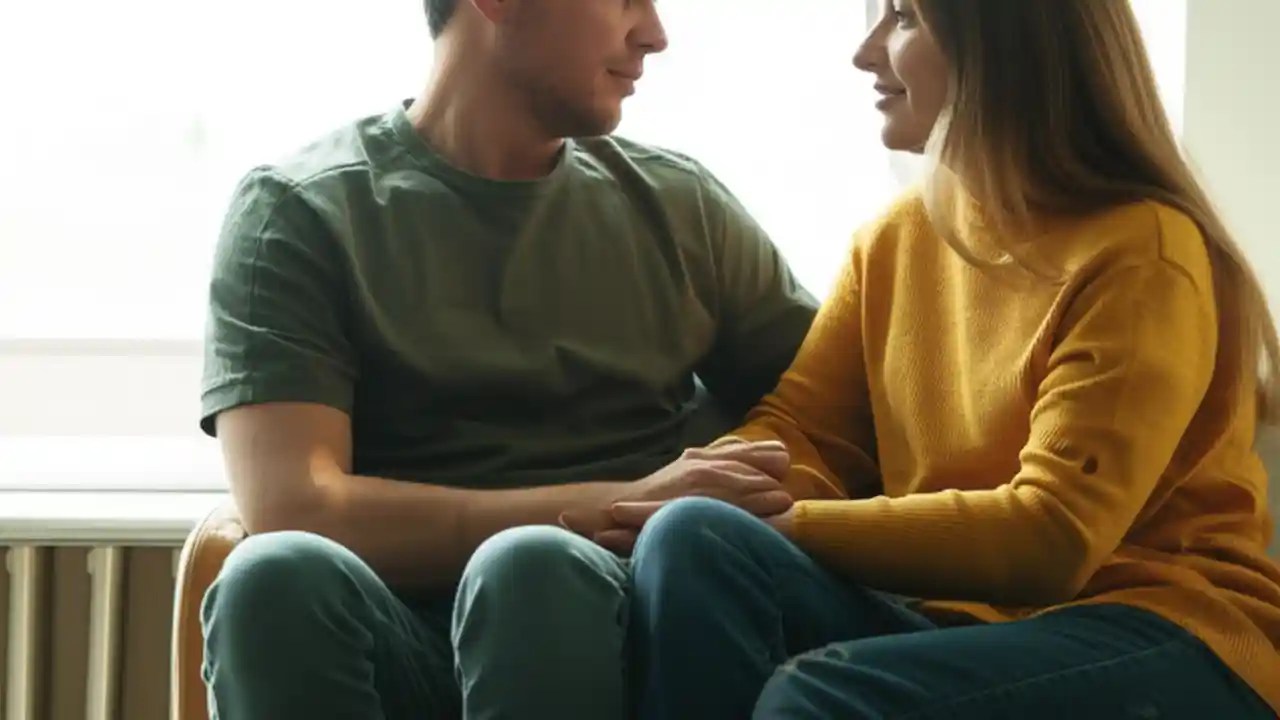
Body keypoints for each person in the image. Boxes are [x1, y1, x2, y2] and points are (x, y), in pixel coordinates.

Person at [616, 1, 1280, 718]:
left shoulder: (1143, 252)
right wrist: (712, 492)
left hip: (1170, 632)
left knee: (818, 697)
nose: (866, 53)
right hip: (968, 624)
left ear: (1006, 40)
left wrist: (791, 523)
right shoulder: (895, 242)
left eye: (902, 17)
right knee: (696, 539)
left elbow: (1052, 536)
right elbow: (803, 435)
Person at [196, 0, 817, 718]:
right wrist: (611, 503)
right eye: (624, 0)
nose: (654, 33)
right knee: (270, 574)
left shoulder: (681, 209)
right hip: (400, 639)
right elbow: (294, 505)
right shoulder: (301, 213)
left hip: (632, 639)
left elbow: (843, 412)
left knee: (533, 569)